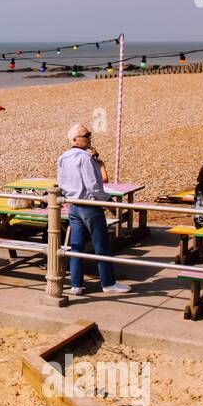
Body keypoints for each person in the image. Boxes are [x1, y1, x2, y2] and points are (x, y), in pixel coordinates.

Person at [57, 122, 129, 296]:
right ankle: (108, 283)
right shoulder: (84, 158)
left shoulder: (63, 157)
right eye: (86, 136)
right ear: (75, 139)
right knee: (101, 245)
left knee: (77, 246)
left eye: (89, 135)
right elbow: (93, 186)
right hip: (89, 206)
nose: (90, 139)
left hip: (73, 205)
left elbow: (61, 183)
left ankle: (76, 284)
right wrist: (107, 200)